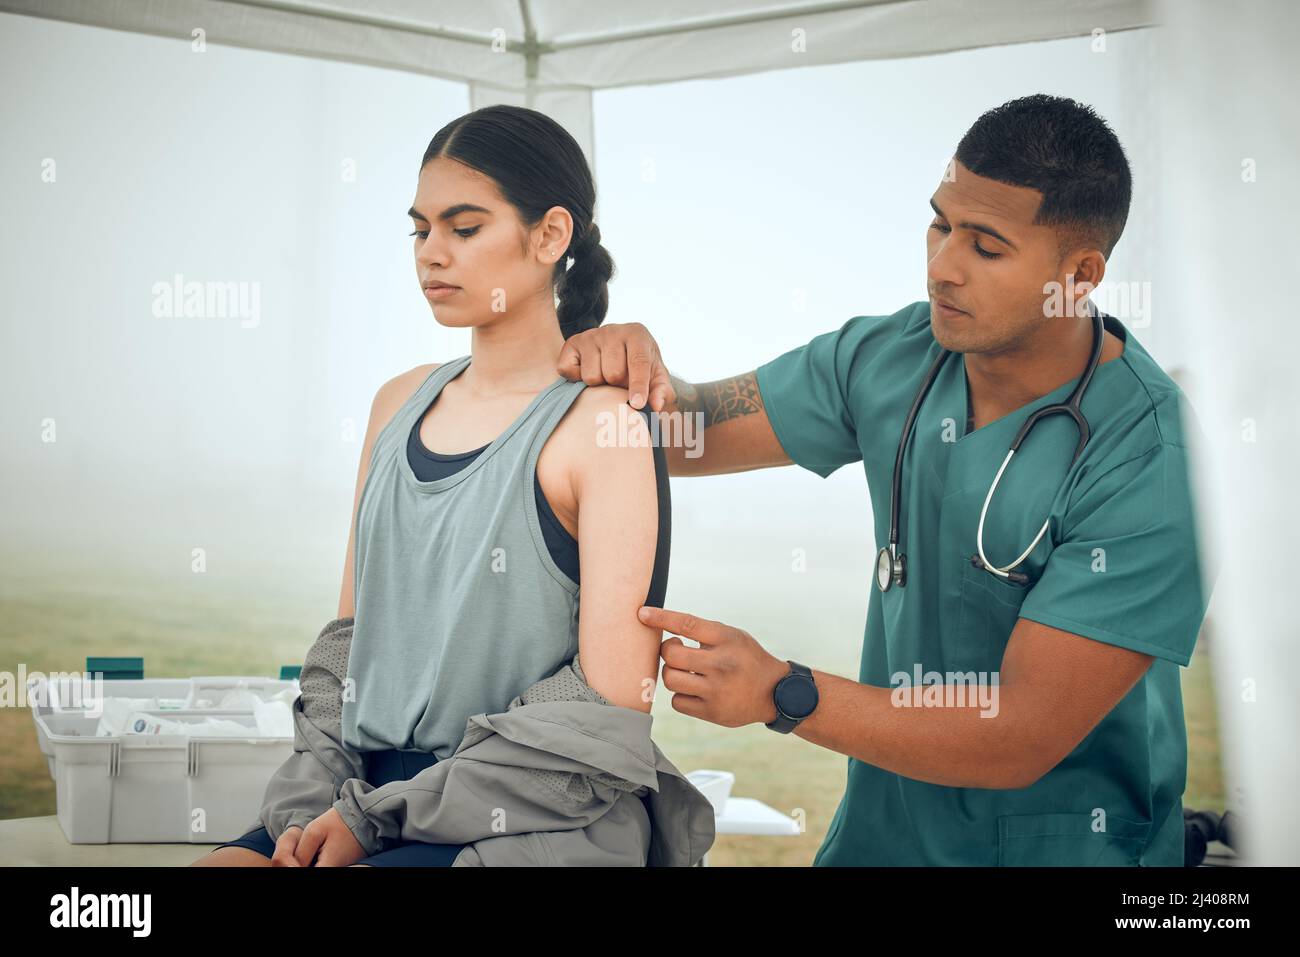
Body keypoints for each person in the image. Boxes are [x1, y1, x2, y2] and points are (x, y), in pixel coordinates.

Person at [556, 94, 1214, 866]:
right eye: (940, 223)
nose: (943, 265)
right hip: (882, 841)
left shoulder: (1151, 453)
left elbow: (1020, 734)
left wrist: (781, 692)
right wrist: (631, 367)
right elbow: (688, 432)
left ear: (1079, 274)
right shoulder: (893, 356)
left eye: (987, 246)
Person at [195, 104, 669, 867]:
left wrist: (380, 818)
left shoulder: (600, 427)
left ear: (550, 235)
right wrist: (304, 816)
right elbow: (346, 646)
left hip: (527, 814)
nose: (431, 254)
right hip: (364, 797)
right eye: (420, 229)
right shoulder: (397, 402)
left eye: (464, 226)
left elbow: (603, 712)